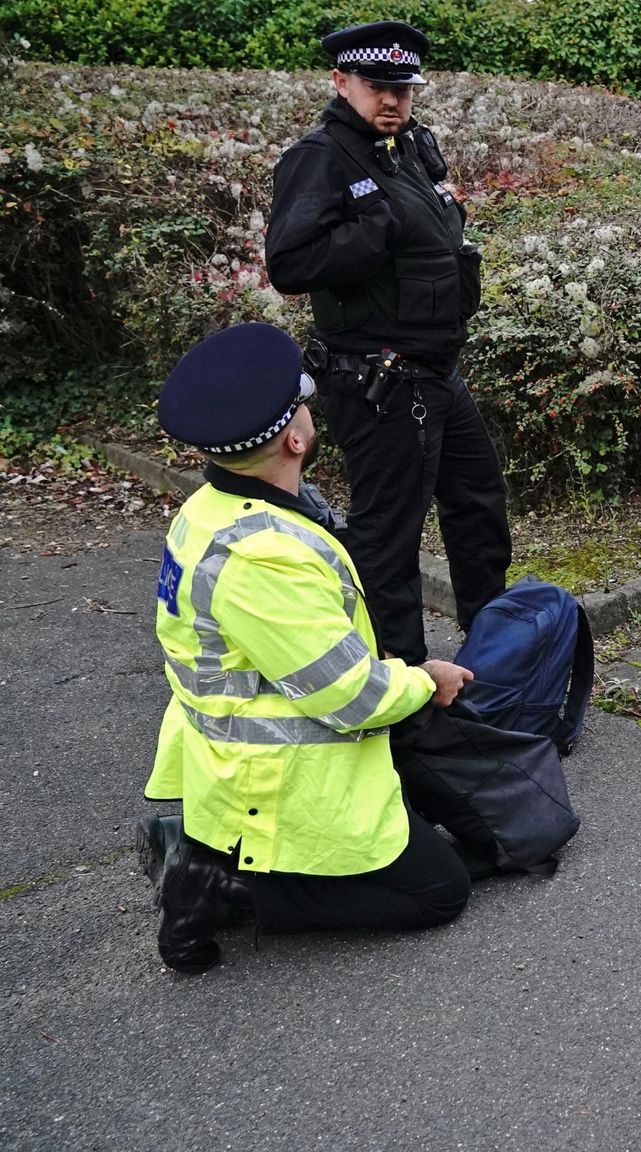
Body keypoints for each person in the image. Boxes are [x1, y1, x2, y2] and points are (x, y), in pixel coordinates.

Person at [138, 323, 475, 974]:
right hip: (278, 773)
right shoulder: (264, 559)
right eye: (305, 405)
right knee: (440, 889)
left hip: (227, 753)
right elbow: (347, 695)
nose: (310, 410)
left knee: (426, 827)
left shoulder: (208, 509)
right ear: (295, 439)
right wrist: (424, 680)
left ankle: (208, 854)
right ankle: (218, 886)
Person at [265, 19, 511, 666]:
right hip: (378, 382)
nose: (393, 100)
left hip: (436, 370)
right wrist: (373, 230)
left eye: (403, 87)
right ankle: (403, 697)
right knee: (389, 543)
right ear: (341, 81)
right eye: (377, 86)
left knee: (479, 508)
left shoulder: (413, 146)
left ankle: (490, 665)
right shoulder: (318, 157)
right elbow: (288, 265)